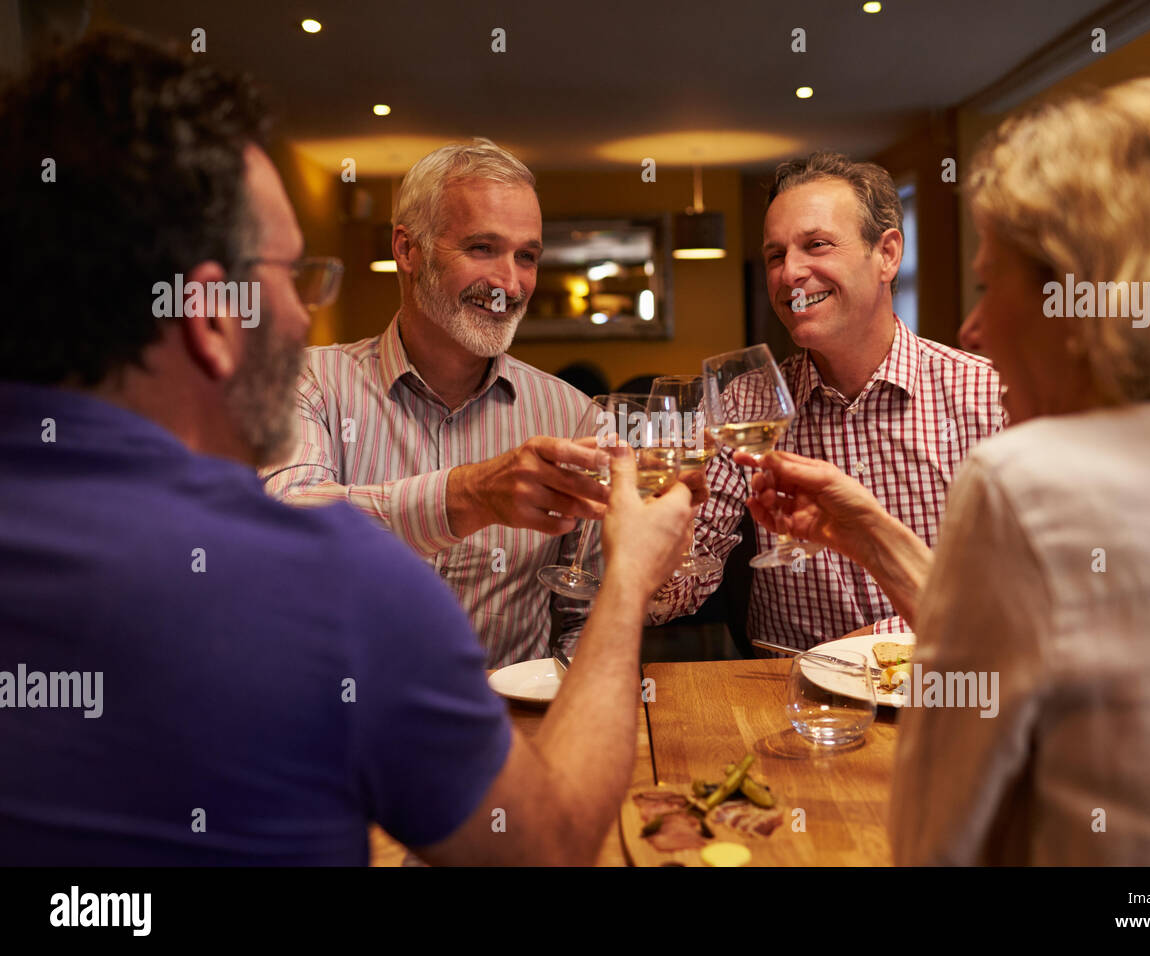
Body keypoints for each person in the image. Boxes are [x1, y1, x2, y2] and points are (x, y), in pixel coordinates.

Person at [0, 32, 692, 866]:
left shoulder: (567, 412)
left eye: (528, 256)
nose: (302, 317)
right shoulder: (333, 579)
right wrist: (627, 577)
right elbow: (545, 847)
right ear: (216, 317)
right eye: (295, 279)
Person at [743, 79, 1150, 864]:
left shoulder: (1028, 479)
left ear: (1080, 299)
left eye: (988, 282)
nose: (972, 325)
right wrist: (871, 533)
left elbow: (938, 841)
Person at [261, 140, 606, 668]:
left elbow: (585, 612)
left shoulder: (574, 416)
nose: (508, 284)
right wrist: (470, 495)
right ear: (406, 249)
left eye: (526, 256)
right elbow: (287, 526)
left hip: (505, 730)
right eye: (482, 248)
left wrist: (558, 715)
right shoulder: (308, 379)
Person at [650, 152, 1003, 649]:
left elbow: (1020, 596)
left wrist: (868, 643)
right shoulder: (742, 406)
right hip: (785, 697)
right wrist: (662, 524)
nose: (790, 272)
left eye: (816, 245)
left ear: (887, 255)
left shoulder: (987, 396)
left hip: (946, 690)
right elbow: (672, 598)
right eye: (775, 255)